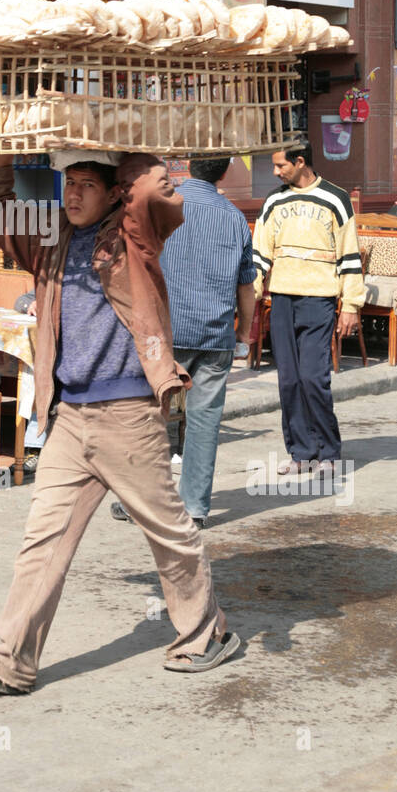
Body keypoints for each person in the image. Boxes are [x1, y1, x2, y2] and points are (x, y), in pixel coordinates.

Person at [0, 151, 240, 696]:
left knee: (168, 533)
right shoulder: (51, 238)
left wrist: (118, 140)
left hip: (127, 412)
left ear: (113, 194)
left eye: (86, 185)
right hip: (70, 416)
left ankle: (208, 634)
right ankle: (12, 661)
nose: (73, 195)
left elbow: (153, 190)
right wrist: (5, 148)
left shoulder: (136, 236)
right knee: (43, 539)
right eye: (68, 184)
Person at [132, 154, 255, 530]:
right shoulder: (234, 218)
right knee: (204, 421)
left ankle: (141, 503)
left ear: (188, 165)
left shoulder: (164, 208)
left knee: (150, 417)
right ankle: (195, 508)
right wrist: (244, 335)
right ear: (225, 172)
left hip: (165, 330)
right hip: (215, 334)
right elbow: (246, 286)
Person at [252, 143, 366, 482]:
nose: (275, 173)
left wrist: (351, 305)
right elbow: (259, 255)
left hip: (319, 300)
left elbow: (350, 256)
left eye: (279, 166)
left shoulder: (336, 199)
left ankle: (328, 452)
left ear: (300, 162)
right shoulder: (274, 201)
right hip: (284, 298)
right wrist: (251, 298)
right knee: (288, 380)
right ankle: (301, 452)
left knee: (314, 378)